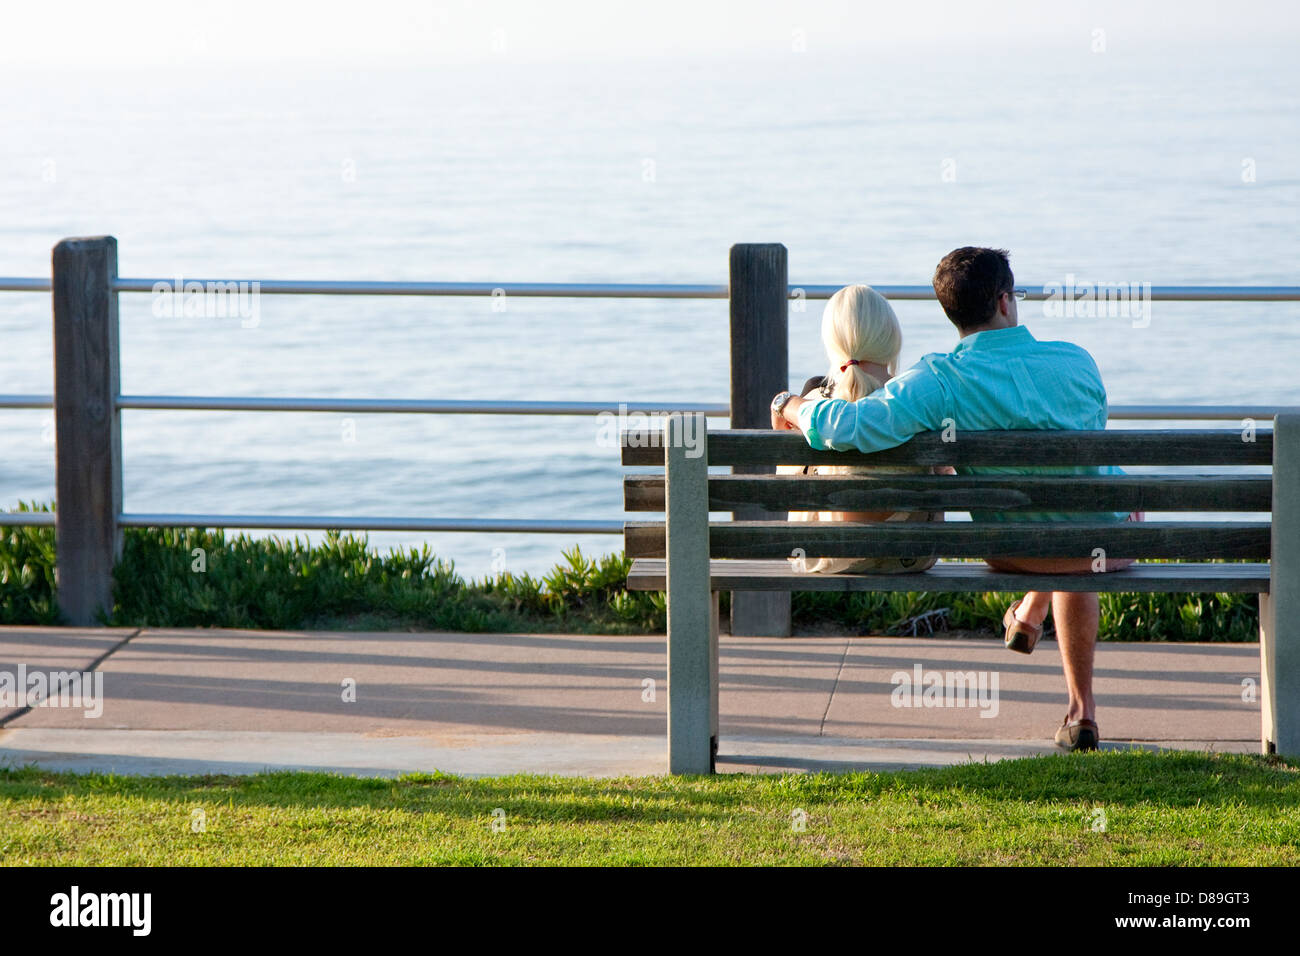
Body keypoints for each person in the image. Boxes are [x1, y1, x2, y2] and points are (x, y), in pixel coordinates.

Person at [769, 247, 1134, 752]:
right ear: (1006, 301)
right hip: (1110, 543)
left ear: (951, 314)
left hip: (1016, 552)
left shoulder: (939, 380)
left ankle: (1031, 611)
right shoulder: (1077, 361)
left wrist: (791, 403)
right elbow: (1087, 450)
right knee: (1077, 519)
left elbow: (849, 426)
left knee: (1051, 527)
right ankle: (1081, 709)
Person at [780, 284, 947, 574]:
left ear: (832, 341)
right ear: (891, 338)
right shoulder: (915, 402)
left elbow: (788, 487)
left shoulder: (808, 404)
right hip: (910, 556)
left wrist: (784, 404)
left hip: (821, 555)